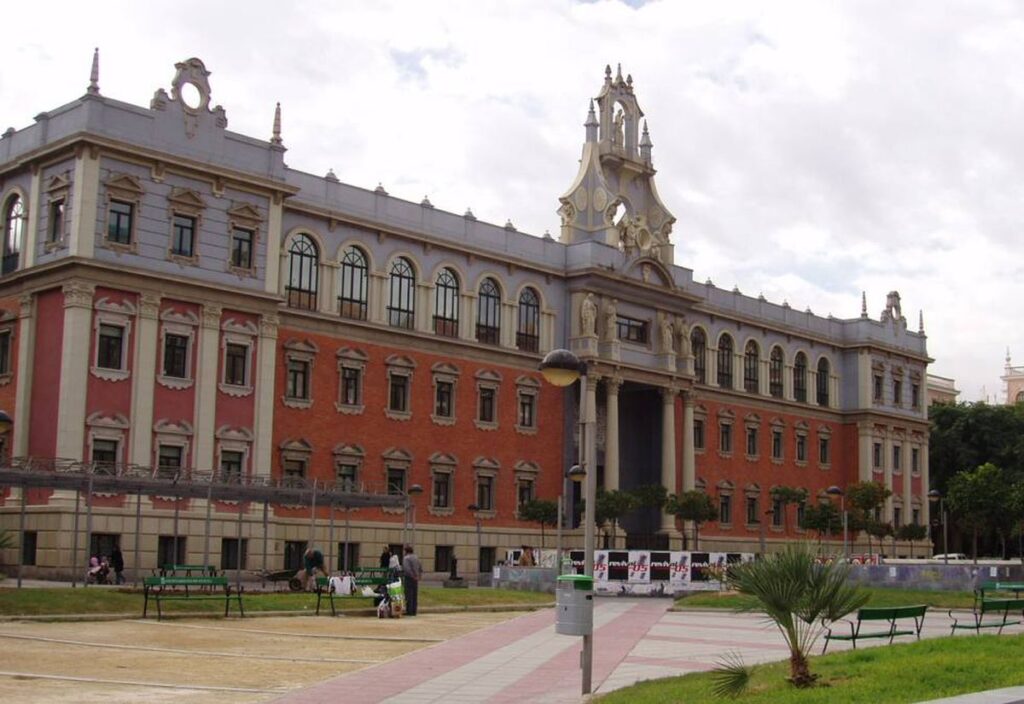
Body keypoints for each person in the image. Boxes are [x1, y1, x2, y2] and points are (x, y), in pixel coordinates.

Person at [402, 545, 423, 616]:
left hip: (409, 578)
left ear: (406, 551)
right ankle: (414, 611)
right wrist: (418, 576)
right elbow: (420, 567)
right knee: (414, 595)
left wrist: (412, 575)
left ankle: (409, 611)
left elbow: (407, 569)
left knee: (408, 594)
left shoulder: (406, 558)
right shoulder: (416, 558)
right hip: (416, 578)